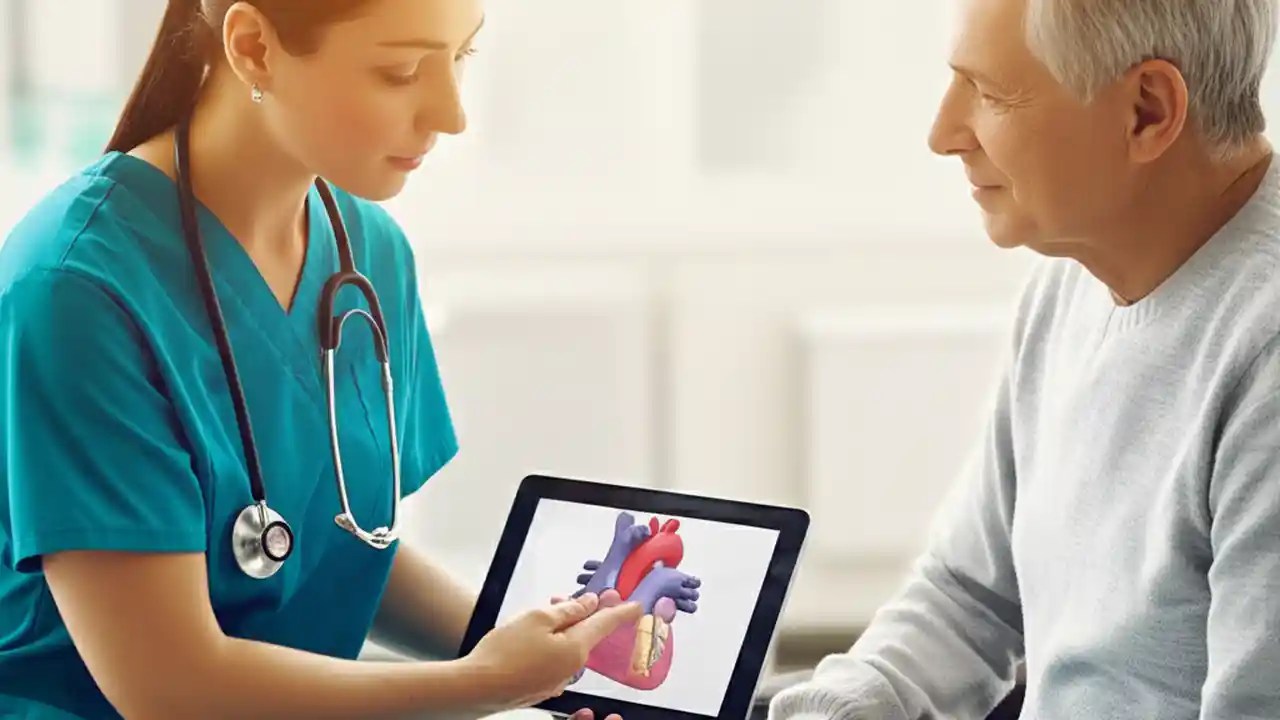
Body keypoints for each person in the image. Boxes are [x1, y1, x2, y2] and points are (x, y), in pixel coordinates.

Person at [0, 1, 642, 718]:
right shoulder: (76, 289)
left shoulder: (369, 253)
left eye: (461, 57)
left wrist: (548, 660)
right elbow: (168, 685)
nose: (453, 115)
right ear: (255, 47)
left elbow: (338, 550)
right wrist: (488, 682)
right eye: (400, 71)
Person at [769, 0, 1280, 718]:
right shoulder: (1072, 280)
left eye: (990, 93)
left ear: (1147, 111)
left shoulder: (1264, 356)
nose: (943, 134)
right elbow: (968, 597)